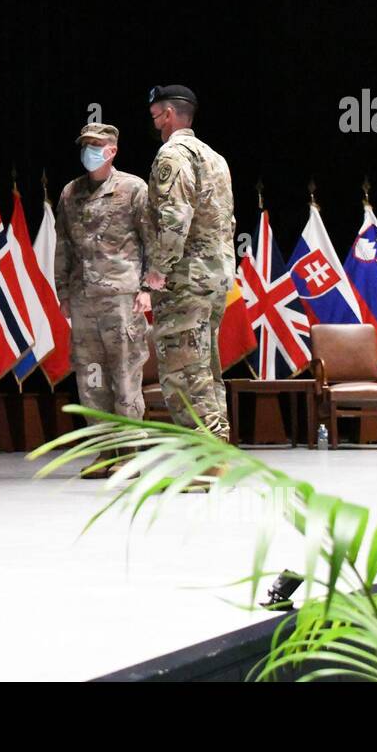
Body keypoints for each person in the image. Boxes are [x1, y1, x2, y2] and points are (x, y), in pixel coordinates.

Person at [142, 84, 237, 477]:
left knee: (183, 366)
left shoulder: (173, 155)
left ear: (166, 115)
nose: (154, 123)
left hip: (186, 277)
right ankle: (218, 451)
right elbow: (227, 220)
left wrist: (158, 272)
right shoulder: (215, 158)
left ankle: (205, 461)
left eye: (154, 116)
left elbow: (174, 219)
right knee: (205, 364)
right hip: (215, 274)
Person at [52, 123, 153, 477]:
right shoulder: (70, 192)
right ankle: (104, 452)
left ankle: (130, 453)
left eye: (96, 146)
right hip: (83, 299)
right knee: (90, 378)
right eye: (85, 146)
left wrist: (147, 289)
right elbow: (62, 244)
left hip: (122, 297)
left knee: (125, 375)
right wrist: (62, 291)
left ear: (112, 150)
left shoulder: (133, 188)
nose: (89, 152)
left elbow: (150, 240)